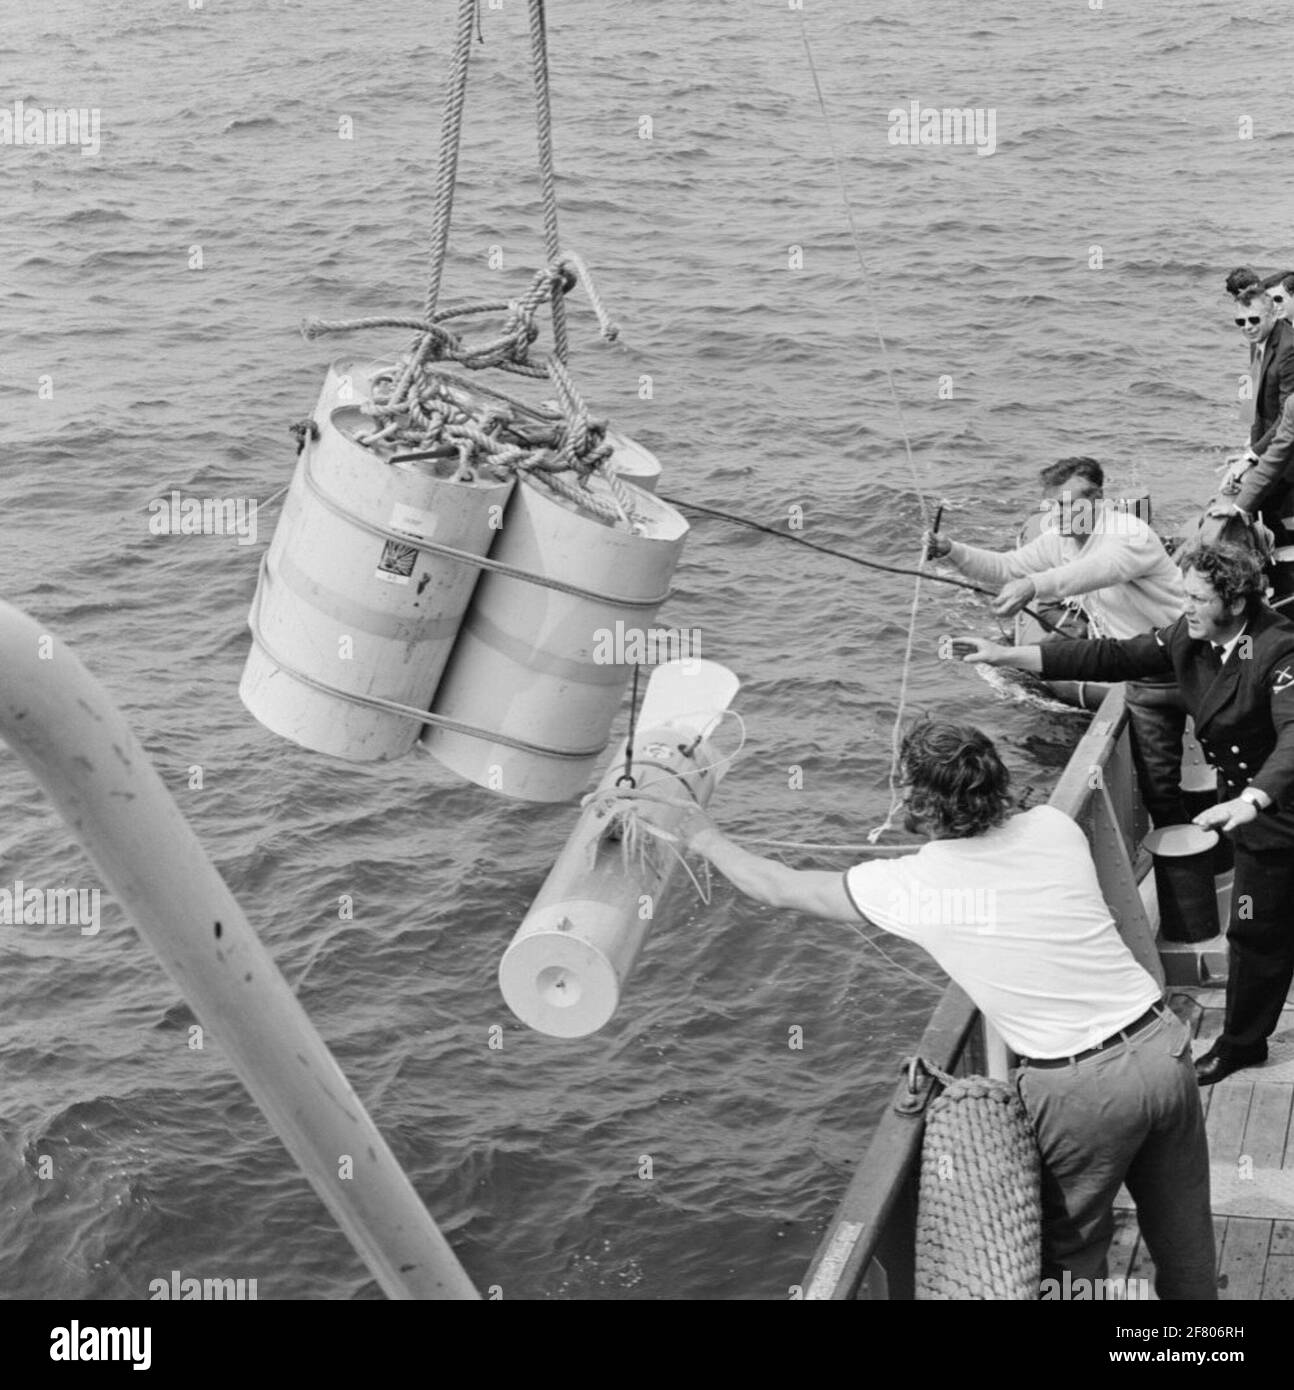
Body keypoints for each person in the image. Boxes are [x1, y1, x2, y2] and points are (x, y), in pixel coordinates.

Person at [667, 720, 1216, 1299]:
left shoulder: (911, 886)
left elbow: (776, 886)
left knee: (1071, 1256)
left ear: (916, 800)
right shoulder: (1054, 827)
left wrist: (699, 834)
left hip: (1082, 1090)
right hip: (1163, 1044)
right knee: (1184, 1234)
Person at [951, 542, 1294, 1086]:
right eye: (1185, 594)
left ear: (1236, 601)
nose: (1187, 606)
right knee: (1253, 933)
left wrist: (1251, 799)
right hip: (1260, 828)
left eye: (1199, 597)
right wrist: (1005, 656)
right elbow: (1112, 656)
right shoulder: (1192, 635)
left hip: (1273, 811)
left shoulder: (1280, 650)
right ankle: (1243, 1044)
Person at [924, 457, 1189, 827]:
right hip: (1136, 666)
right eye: (1052, 506)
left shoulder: (1129, 535)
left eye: (1066, 505)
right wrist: (951, 550)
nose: (1057, 515)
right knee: (1161, 789)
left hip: (1186, 656)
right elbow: (1007, 567)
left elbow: (1093, 571)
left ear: (1097, 498)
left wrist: (1034, 585)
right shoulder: (1061, 539)